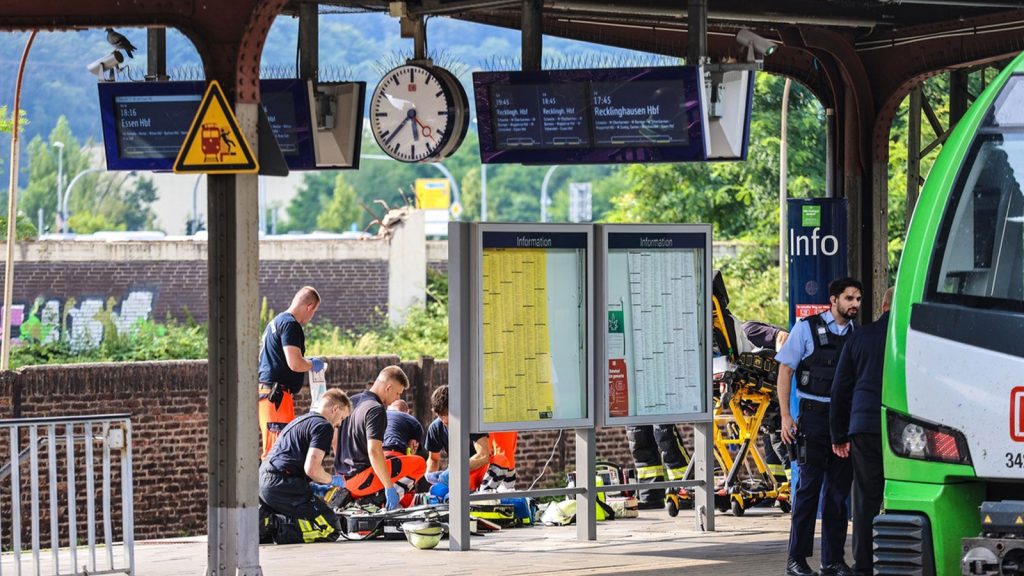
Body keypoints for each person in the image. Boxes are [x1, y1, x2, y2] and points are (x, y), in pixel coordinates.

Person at [776, 277, 863, 576]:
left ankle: (833, 561)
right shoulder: (806, 328)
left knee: (838, 495)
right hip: (812, 419)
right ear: (833, 300)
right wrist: (786, 416)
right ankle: (796, 560)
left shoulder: (857, 336)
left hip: (843, 422)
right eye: (849, 298)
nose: (854, 304)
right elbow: (785, 370)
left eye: (858, 299)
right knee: (808, 491)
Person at [830, 287, 892, 576]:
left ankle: (864, 565)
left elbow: (841, 389)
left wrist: (838, 435)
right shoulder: (911, 336)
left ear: (882, 306)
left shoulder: (859, 337)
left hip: (864, 427)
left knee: (866, 498)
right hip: (906, 428)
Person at [258, 388, 351, 544]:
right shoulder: (323, 426)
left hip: (264, 483)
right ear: (335, 409)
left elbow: (290, 459)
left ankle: (264, 525)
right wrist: (333, 480)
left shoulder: (300, 421)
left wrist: (312, 487)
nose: (339, 423)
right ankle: (276, 526)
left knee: (305, 513)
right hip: (281, 484)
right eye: (341, 418)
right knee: (330, 528)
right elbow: (312, 469)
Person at [335, 366, 425, 510]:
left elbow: (335, 438)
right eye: (397, 393)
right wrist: (389, 487)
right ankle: (378, 499)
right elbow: (375, 451)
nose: (397, 398)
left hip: (343, 479)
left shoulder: (351, 401)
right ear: (388, 388)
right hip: (364, 479)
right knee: (419, 464)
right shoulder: (376, 409)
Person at [258, 286, 326, 460]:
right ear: (309, 307)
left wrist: (307, 362)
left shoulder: (276, 322)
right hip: (277, 397)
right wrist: (312, 364)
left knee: (281, 449)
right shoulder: (290, 325)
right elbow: (295, 363)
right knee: (277, 452)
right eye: (314, 312)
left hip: (271, 395)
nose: (311, 317)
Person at [425, 385, 517, 492]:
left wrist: (456, 470)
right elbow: (433, 459)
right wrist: (430, 475)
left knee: (501, 460)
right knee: (438, 491)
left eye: (446, 414)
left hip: (482, 472)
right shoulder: (435, 428)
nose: (444, 419)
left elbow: (483, 456)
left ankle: (483, 495)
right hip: (461, 477)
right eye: (440, 415)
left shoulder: (471, 422)